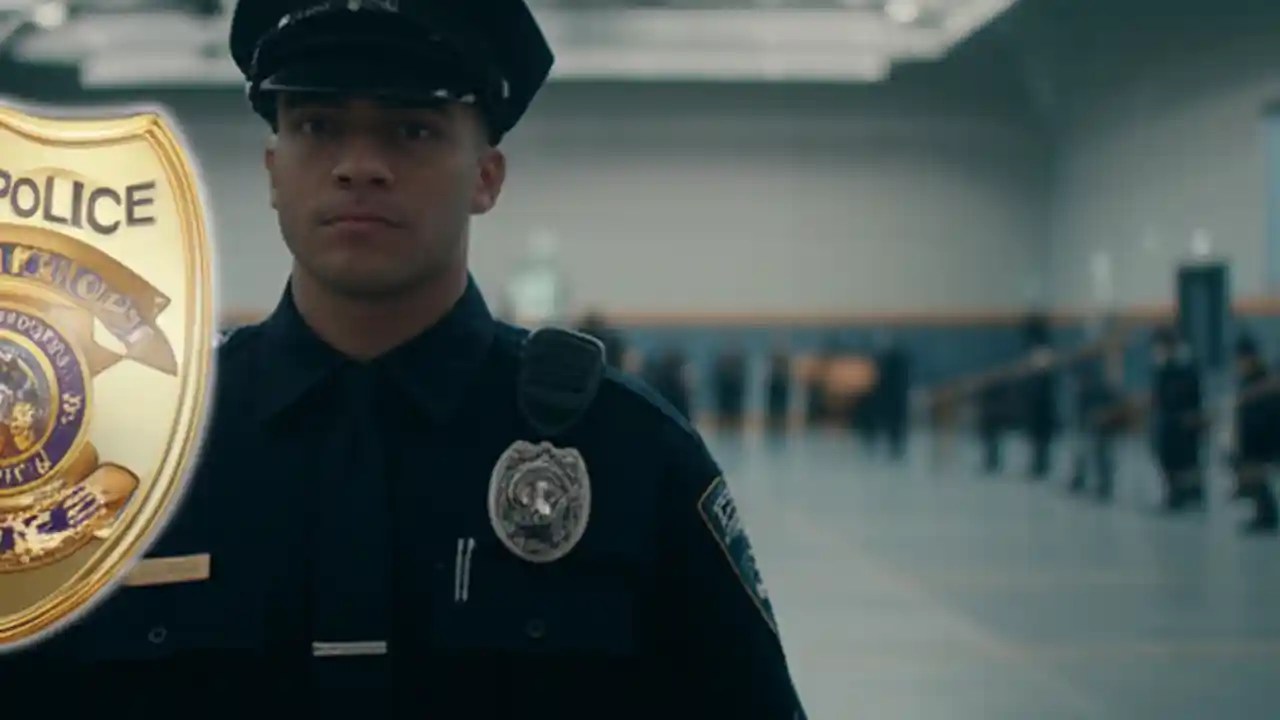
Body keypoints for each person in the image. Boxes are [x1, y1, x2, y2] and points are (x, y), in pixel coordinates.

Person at [0, 1, 808, 717]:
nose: (360, 163)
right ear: (273, 172)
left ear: (486, 177)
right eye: (317, 125)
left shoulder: (628, 458)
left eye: (411, 128)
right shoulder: (122, 462)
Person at [1149, 326, 1205, 511]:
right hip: (1168, 423)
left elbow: (1193, 397)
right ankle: (1175, 494)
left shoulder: (1187, 368)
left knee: (1187, 461)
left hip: (1185, 422)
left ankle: (1192, 494)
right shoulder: (1162, 369)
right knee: (1169, 461)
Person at [1229, 334, 1278, 535]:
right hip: (1251, 437)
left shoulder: (1264, 376)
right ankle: (1261, 512)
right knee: (1251, 474)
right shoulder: (1246, 379)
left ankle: (1267, 515)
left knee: (1256, 474)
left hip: (1264, 434)